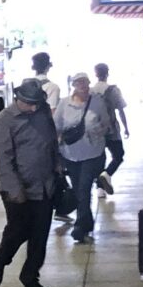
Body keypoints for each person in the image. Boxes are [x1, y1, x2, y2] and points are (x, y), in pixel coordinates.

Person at [0, 79, 60, 287]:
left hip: (45, 186)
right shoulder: (5, 120)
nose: (34, 108)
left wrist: (58, 168)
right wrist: (14, 189)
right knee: (17, 232)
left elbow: (51, 142)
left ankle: (30, 278)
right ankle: (1, 261)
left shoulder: (43, 111)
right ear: (18, 99)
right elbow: (5, 158)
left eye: (37, 104)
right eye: (30, 104)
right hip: (19, 189)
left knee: (39, 236)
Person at [54, 72, 109, 244]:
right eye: (79, 83)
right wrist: (56, 151)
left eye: (85, 83)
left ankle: (80, 227)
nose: (83, 87)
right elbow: (56, 128)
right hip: (70, 155)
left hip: (92, 153)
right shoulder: (64, 104)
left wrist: (98, 131)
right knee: (78, 190)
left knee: (84, 189)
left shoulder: (97, 102)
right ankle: (87, 222)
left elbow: (107, 122)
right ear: (73, 86)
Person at [94, 62, 129, 194]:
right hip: (112, 129)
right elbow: (121, 110)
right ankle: (106, 175)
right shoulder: (114, 90)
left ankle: (100, 189)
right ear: (107, 73)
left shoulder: (91, 91)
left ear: (95, 74)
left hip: (96, 130)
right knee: (118, 155)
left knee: (100, 158)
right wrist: (126, 127)